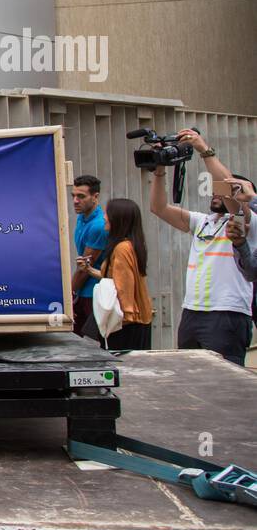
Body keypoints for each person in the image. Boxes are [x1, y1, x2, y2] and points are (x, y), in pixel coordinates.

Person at [149, 132, 253, 367]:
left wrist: (203, 149)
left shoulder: (245, 222)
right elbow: (158, 207)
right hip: (192, 311)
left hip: (227, 312)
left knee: (225, 382)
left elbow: (229, 188)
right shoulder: (203, 221)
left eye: (222, 190)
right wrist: (159, 169)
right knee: (191, 379)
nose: (217, 193)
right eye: (214, 189)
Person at [79, 198, 153, 350]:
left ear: (119, 219)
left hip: (125, 324)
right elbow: (114, 279)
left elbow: (123, 287)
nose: (104, 217)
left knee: (125, 369)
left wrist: (121, 319)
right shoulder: (130, 244)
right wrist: (89, 270)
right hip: (132, 322)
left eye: (108, 213)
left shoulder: (121, 248)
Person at [70, 175, 107, 337]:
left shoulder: (98, 226)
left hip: (94, 295)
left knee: (90, 344)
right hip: (82, 292)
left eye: (81, 196)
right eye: (73, 196)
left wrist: (69, 294)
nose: (75, 201)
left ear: (95, 197)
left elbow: (84, 268)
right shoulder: (81, 217)